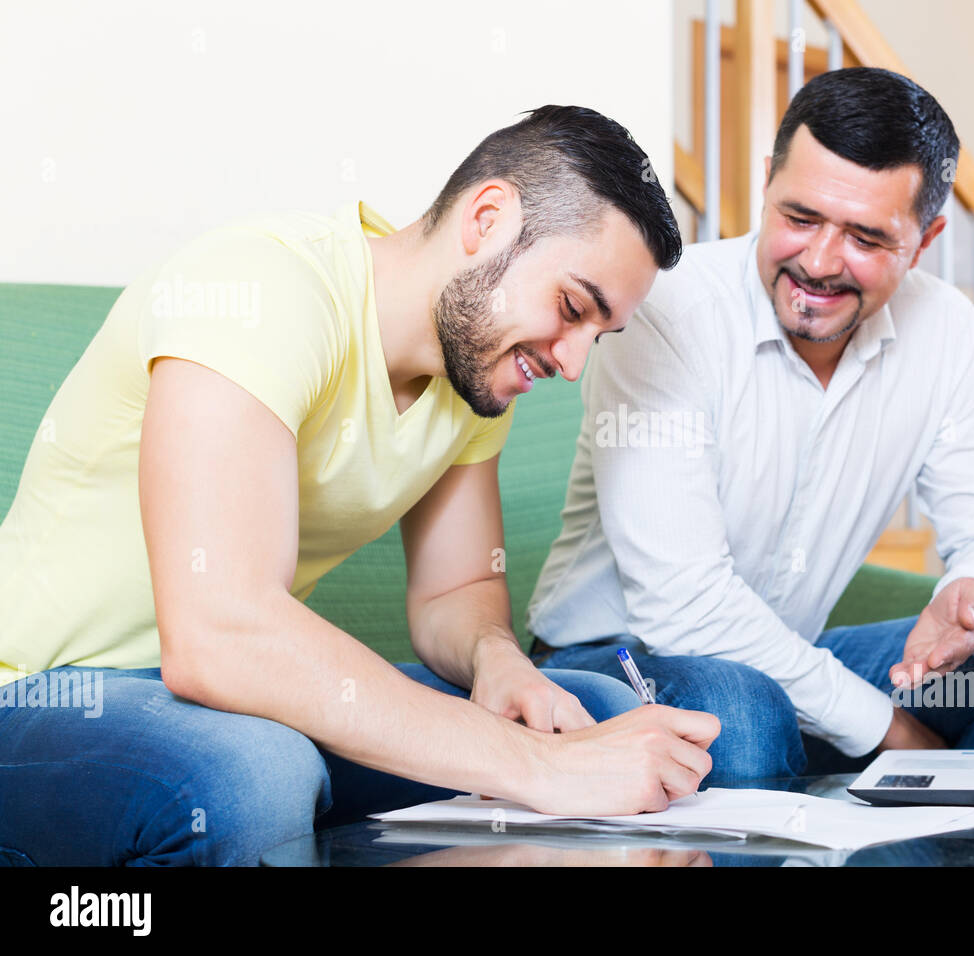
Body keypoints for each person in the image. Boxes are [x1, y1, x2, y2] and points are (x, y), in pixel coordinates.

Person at [0, 105, 719, 866]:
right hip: (48, 693)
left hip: (228, 699)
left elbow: (456, 594)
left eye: (596, 336)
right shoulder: (261, 288)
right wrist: (539, 768)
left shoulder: (475, 373)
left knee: (596, 713)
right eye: (572, 308)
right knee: (248, 778)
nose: (573, 364)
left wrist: (496, 660)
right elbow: (218, 635)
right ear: (489, 218)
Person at [527, 70, 974, 784]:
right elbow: (685, 608)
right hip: (617, 660)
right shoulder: (669, 312)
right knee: (741, 718)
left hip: (792, 661)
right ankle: (856, 790)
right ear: (768, 180)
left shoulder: (945, 330)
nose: (818, 262)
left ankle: (942, 846)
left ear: (924, 240)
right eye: (799, 217)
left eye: (867, 237)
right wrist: (893, 735)